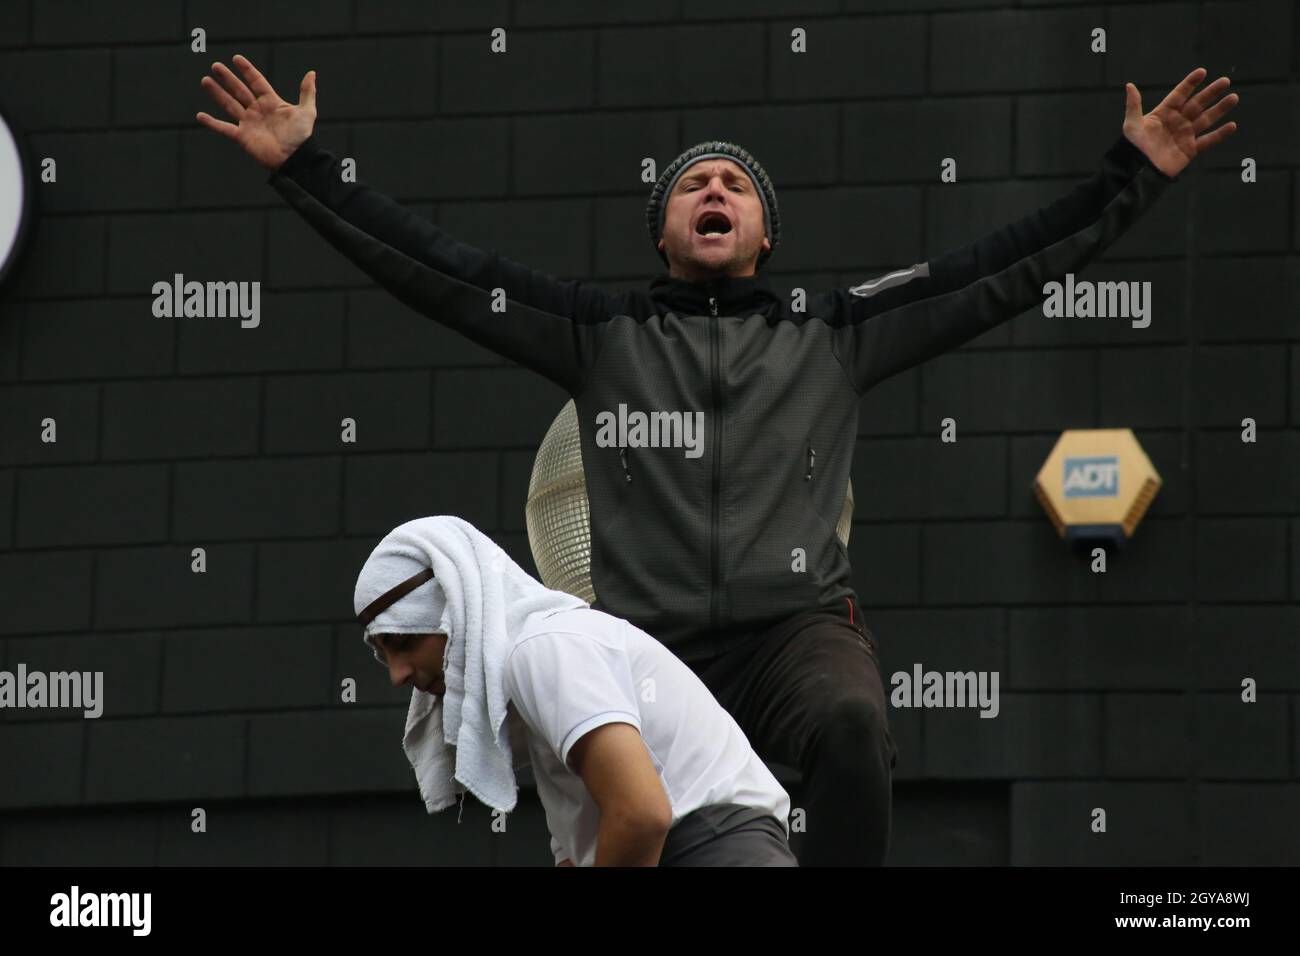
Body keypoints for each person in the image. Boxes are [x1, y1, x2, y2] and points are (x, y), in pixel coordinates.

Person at [198, 55, 1238, 865]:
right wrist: (305, 169)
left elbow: (1000, 268)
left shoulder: (831, 332)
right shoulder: (597, 333)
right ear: (664, 233)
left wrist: (1131, 175)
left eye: (735, 185)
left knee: (848, 721)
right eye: (693, 181)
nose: (714, 188)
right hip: (647, 642)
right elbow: (438, 270)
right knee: (636, 818)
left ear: (759, 236)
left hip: (791, 633)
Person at [354, 514, 796, 867]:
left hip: (714, 849)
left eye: (405, 644)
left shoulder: (543, 648)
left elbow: (641, 815)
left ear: (456, 609)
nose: (398, 675)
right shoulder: (534, 681)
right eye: (384, 656)